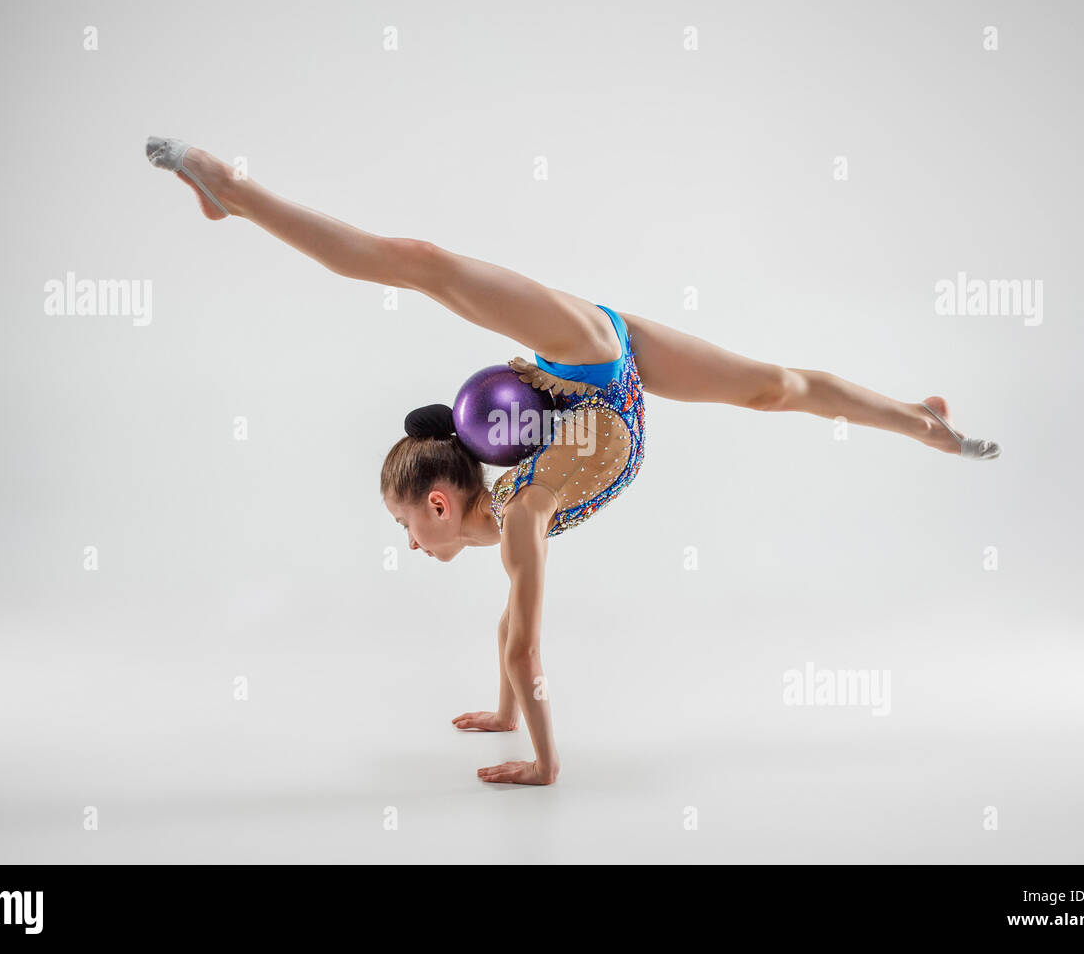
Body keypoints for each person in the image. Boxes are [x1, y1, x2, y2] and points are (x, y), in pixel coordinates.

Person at [146, 136, 1002, 785]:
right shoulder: (511, 508)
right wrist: (504, 716)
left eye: (403, 526)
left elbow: (525, 647)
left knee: (425, 266)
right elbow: (511, 641)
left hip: (588, 357)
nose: (408, 544)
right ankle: (919, 417)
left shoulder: (519, 512)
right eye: (404, 530)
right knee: (774, 388)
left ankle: (235, 193)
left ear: (441, 504)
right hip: (609, 377)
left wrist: (542, 761)